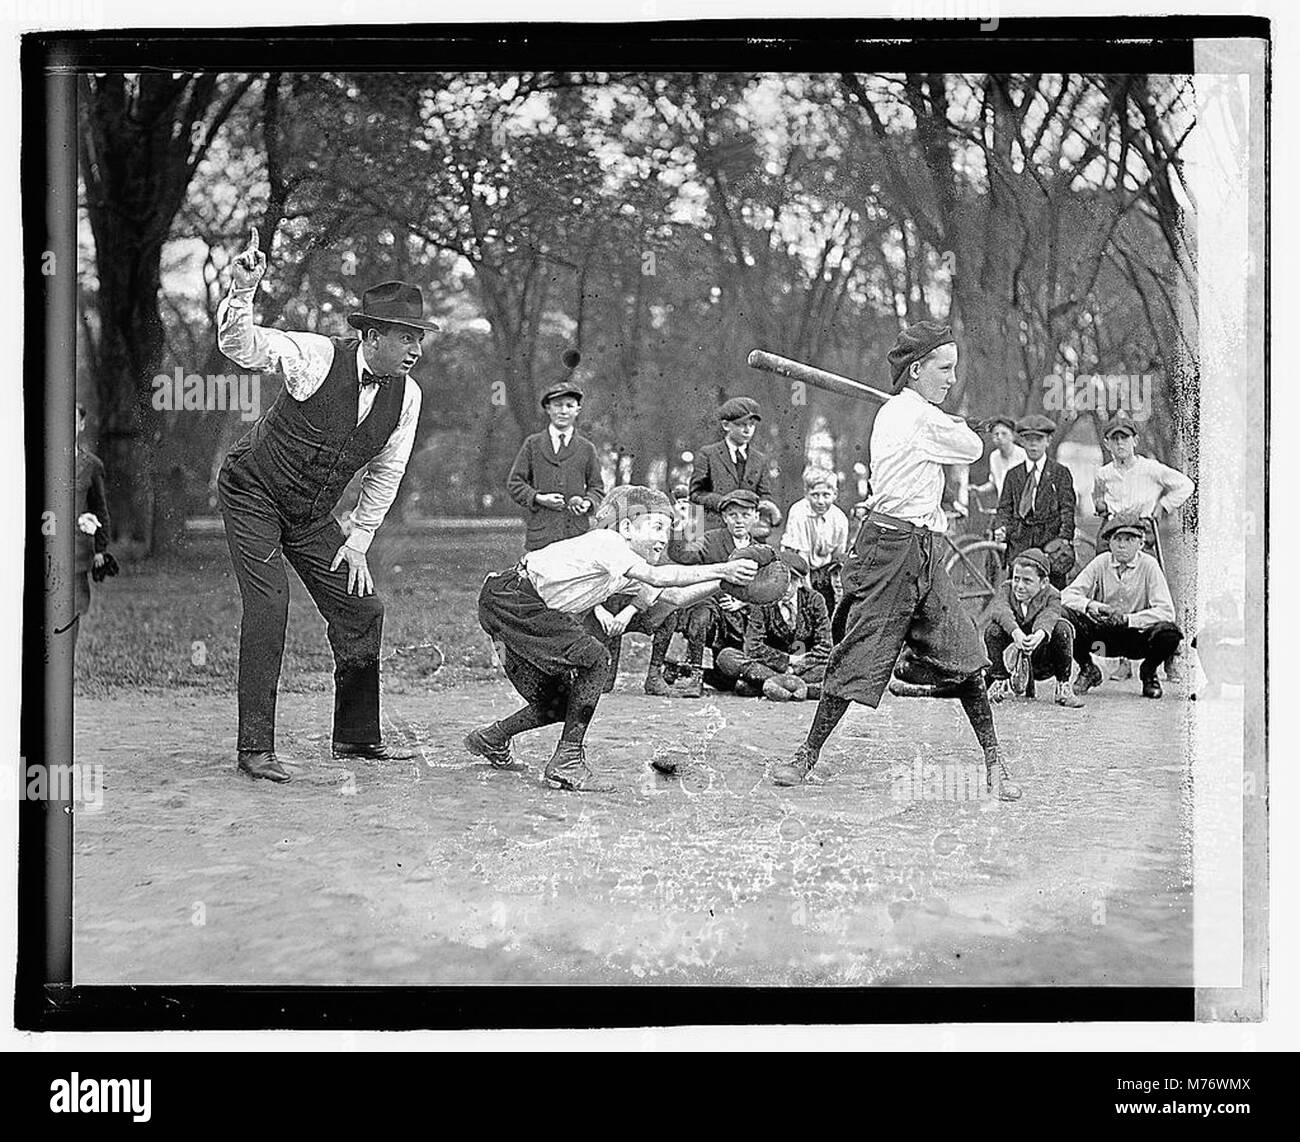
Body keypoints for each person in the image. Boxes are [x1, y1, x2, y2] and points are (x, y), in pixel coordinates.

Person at [770, 321, 1020, 801]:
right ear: (916, 369)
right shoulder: (914, 418)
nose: (951, 379)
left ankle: (995, 763)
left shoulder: (915, 412)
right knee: (857, 656)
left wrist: (945, 418)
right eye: (944, 369)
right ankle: (806, 755)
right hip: (889, 550)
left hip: (926, 549)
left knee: (966, 655)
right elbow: (971, 448)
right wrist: (957, 424)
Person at [215, 228, 427, 783]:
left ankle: (356, 739)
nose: (416, 350)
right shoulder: (314, 356)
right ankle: (255, 749)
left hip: (312, 517)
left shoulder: (408, 396)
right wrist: (242, 294)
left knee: (363, 609)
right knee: (269, 607)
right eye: (406, 338)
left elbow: (387, 471)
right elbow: (243, 347)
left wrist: (358, 540)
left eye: (419, 339)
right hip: (252, 492)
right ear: (373, 336)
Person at [467, 485, 758, 792]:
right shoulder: (608, 542)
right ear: (628, 527)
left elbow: (674, 595)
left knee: (558, 703)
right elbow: (660, 578)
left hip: (511, 607)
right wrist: (725, 567)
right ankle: (566, 763)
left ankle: (492, 738)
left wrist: (724, 582)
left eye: (668, 529)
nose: (664, 537)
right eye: (657, 527)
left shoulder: (628, 564)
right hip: (513, 599)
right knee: (596, 658)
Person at [645, 489, 771, 698]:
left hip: (743, 618)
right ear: (724, 517)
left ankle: (682, 670)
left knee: (729, 677)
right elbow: (682, 555)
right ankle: (695, 675)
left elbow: (768, 589)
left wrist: (743, 603)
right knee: (700, 616)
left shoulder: (763, 550)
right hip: (714, 607)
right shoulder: (712, 539)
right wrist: (678, 527)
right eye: (733, 515)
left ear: (756, 517)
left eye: (746, 515)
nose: (739, 521)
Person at [1061, 513, 1184, 699]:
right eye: (1117, 539)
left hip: (1137, 638)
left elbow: (1166, 611)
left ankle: (1149, 672)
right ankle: (1088, 668)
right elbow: (1066, 596)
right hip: (1101, 640)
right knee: (1064, 615)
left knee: (1170, 633)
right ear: (1109, 543)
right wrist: (1091, 605)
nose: (1122, 545)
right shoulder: (1101, 562)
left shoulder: (1149, 565)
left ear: (1141, 543)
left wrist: (1129, 620)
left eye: (1129, 539)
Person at [505, 352, 606, 552]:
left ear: (578, 410)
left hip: (576, 534)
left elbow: (597, 488)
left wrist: (587, 503)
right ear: (548, 409)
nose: (563, 411)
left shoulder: (586, 448)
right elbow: (515, 483)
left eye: (569, 406)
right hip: (542, 534)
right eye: (557, 405)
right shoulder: (533, 444)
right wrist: (539, 498)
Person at [714, 552, 831, 701]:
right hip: (769, 667)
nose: (786, 588)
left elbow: (825, 646)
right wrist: (787, 661)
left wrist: (796, 667)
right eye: (782, 581)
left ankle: (766, 684)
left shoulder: (814, 600)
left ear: (801, 582)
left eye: (792, 581)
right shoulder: (763, 599)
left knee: (834, 666)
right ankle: (796, 687)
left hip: (805, 667)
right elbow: (752, 647)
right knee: (726, 656)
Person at [983, 547, 1084, 708]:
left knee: (1062, 628)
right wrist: (1015, 632)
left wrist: (1039, 634)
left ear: (1043, 583)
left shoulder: (1052, 595)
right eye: (1016, 579)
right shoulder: (1006, 589)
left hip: (1042, 658)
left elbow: (1049, 616)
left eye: (1027, 581)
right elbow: (1000, 609)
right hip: (1013, 656)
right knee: (993, 630)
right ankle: (999, 680)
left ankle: (1063, 686)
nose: (1019, 586)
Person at [992, 414, 1076, 588]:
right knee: (1018, 591)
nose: (1033, 444)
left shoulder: (1060, 473)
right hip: (1019, 544)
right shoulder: (1013, 475)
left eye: (1038, 439)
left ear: (1048, 441)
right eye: (1028, 439)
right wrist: (1001, 528)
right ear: (1022, 442)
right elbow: (1004, 508)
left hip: (1049, 545)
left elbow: (1067, 510)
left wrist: (1063, 540)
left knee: (1050, 594)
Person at [1092, 412, 1195, 553]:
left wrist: (1163, 505)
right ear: (1107, 444)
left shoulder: (1151, 468)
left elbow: (1186, 485)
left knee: (1143, 566)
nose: (1120, 443)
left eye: (1124, 438)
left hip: (1141, 526)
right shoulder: (1103, 473)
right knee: (1101, 562)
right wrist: (1101, 505)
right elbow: (1099, 495)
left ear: (1135, 440)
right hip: (1112, 525)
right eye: (1115, 439)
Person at [689, 396, 782, 537]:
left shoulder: (759, 459)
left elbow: (764, 494)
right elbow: (696, 494)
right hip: (716, 530)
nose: (747, 430)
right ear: (726, 425)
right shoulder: (708, 454)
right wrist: (724, 503)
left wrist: (765, 504)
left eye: (752, 425)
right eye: (741, 424)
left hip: (750, 531)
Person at [780, 466, 849, 626]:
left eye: (826, 495)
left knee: (829, 606)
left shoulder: (840, 518)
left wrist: (837, 588)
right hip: (798, 565)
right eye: (815, 495)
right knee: (805, 604)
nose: (820, 501)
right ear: (806, 494)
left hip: (824, 568)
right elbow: (801, 556)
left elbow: (839, 557)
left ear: (835, 494)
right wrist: (810, 592)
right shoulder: (798, 512)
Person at [72, 402, 116, 648]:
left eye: (73, 420)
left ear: (81, 425)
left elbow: (100, 509)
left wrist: (100, 549)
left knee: (73, 608)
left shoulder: (91, 466)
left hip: (77, 553)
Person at [972, 415, 1027, 499]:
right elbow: (994, 483)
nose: (1000, 437)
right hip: (1004, 506)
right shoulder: (994, 457)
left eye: (1004, 434)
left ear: (1012, 435)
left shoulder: (1024, 455)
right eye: (996, 434)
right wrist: (979, 489)